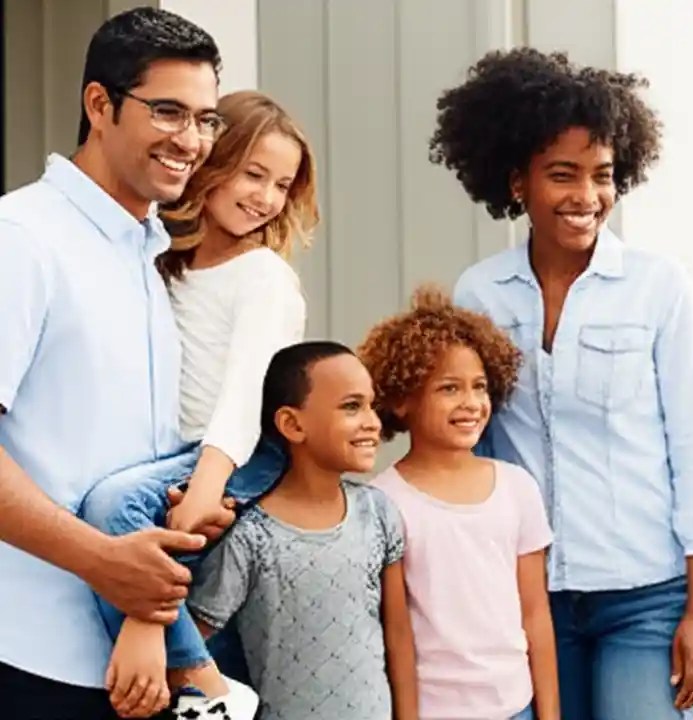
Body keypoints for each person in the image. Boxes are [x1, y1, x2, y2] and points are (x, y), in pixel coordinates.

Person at [437, 48, 693, 719]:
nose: (586, 197)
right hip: (525, 592)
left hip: (643, 594)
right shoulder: (480, 292)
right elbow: (471, 453)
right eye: (562, 175)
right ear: (517, 181)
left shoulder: (659, 289)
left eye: (602, 176)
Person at [0, 8, 238, 719]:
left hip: (132, 654)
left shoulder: (147, 253)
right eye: (167, 112)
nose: (191, 140)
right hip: (28, 652)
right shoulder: (22, 240)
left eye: (205, 119)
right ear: (98, 105)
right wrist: (102, 562)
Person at [78, 89, 318, 719]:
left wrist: (209, 487)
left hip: (238, 453)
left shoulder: (263, 277)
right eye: (253, 174)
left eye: (281, 184)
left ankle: (205, 684)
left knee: (112, 507)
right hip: (182, 448)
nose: (265, 197)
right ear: (211, 162)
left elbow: (243, 395)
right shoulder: (165, 261)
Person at [185, 341, 417, 720]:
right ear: (292, 424)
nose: (373, 421)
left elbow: (399, 636)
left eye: (371, 405)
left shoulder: (377, 513)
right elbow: (190, 645)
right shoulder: (251, 537)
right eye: (351, 406)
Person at [360, 285, 557, 720]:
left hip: (515, 707)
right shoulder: (383, 503)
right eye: (449, 388)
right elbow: (397, 634)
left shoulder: (516, 488)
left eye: (479, 387)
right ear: (401, 399)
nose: (470, 403)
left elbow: (536, 614)